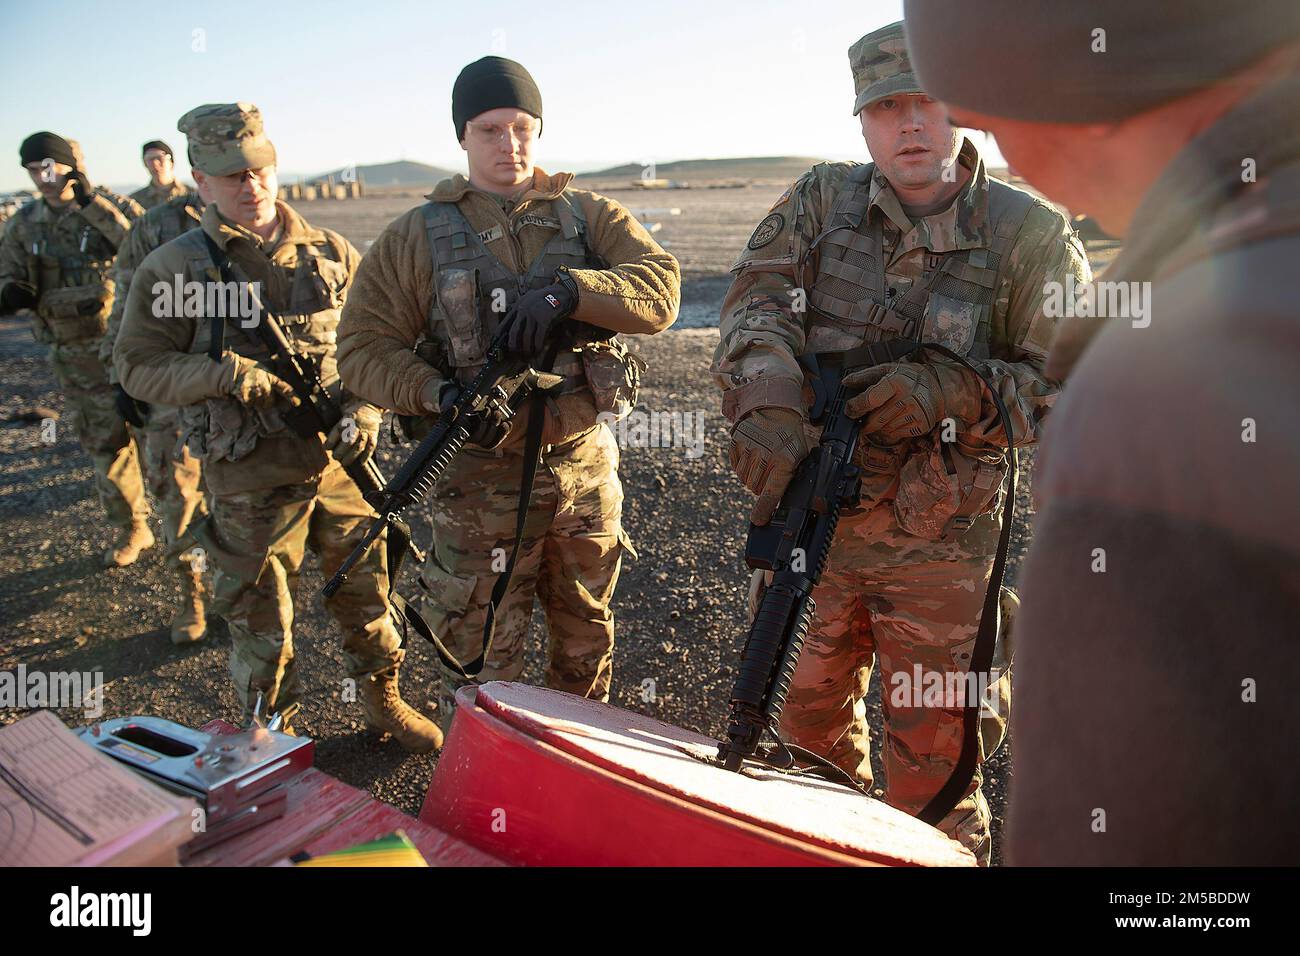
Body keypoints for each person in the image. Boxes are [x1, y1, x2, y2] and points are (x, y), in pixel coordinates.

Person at [905, 0, 1300, 865]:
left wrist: (945, 389)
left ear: (1080, 85)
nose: (1003, 154)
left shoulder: (1167, 389)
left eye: (979, 116)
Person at [712, 21, 1089, 863]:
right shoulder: (819, 200)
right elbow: (754, 301)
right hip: (813, 527)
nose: (909, 125)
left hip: (942, 553)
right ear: (861, 121)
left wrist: (952, 391)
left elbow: (1078, 391)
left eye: (926, 101)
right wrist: (768, 400)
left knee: (936, 772)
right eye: (886, 108)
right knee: (798, 739)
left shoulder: (1029, 234)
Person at [336, 56, 679, 728]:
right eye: (490, 129)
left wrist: (574, 289)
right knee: (478, 654)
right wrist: (436, 393)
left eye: (522, 126)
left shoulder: (589, 217)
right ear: (463, 136)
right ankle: (483, 788)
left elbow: (660, 291)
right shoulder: (417, 236)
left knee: (586, 640)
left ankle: (581, 774)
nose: (509, 144)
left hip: (583, 472)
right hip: (476, 486)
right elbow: (360, 351)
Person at [114, 102, 441, 749]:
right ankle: (275, 734)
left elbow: (375, 345)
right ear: (199, 182)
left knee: (368, 597)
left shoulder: (330, 253)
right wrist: (221, 374)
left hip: (337, 468)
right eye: (230, 175)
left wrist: (365, 407)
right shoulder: (177, 268)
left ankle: (383, 702)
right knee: (261, 619)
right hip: (247, 476)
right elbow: (136, 366)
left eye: (258, 168)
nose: (250, 184)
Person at [0, 131, 152, 567]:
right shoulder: (24, 222)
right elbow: (6, 270)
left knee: (162, 442)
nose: (43, 177)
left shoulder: (110, 206)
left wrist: (92, 205)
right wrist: (11, 292)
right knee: (105, 443)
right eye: (33, 170)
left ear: (71, 166)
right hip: (74, 355)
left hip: (132, 346)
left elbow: (141, 250)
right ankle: (133, 526)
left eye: (50, 166)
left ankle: (192, 536)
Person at [101, 180, 212, 643]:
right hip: (172, 384)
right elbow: (124, 301)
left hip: (249, 387)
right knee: (177, 496)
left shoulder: (270, 222)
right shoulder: (154, 226)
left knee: (252, 501)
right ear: (197, 173)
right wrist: (118, 371)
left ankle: (246, 595)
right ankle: (194, 597)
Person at [130, 141, 193, 211]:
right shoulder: (134, 202)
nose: (155, 163)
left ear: (171, 161)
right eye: (150, 160)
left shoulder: (193, 195)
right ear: (145, 164)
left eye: (159, 158)